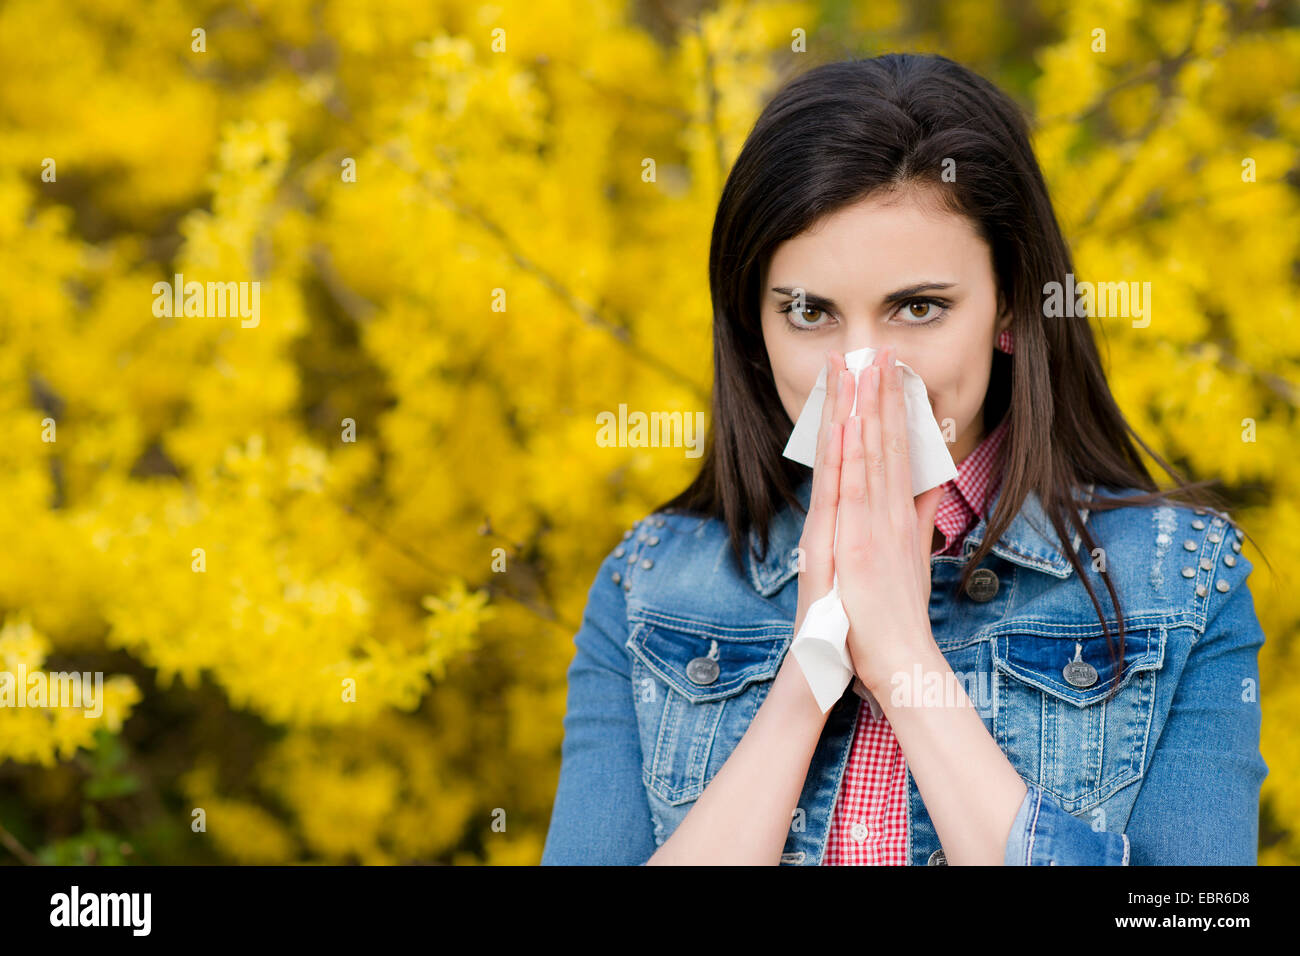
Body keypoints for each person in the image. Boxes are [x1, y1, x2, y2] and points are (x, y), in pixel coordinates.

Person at [540, 53, 1268, 865]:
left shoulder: (1182, 587)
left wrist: (903, 660)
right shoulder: (647, 588)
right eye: (810, 313)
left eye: (918, 308)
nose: (863, 372)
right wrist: (809, 677)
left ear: (1013, 312)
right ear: (754, 328)